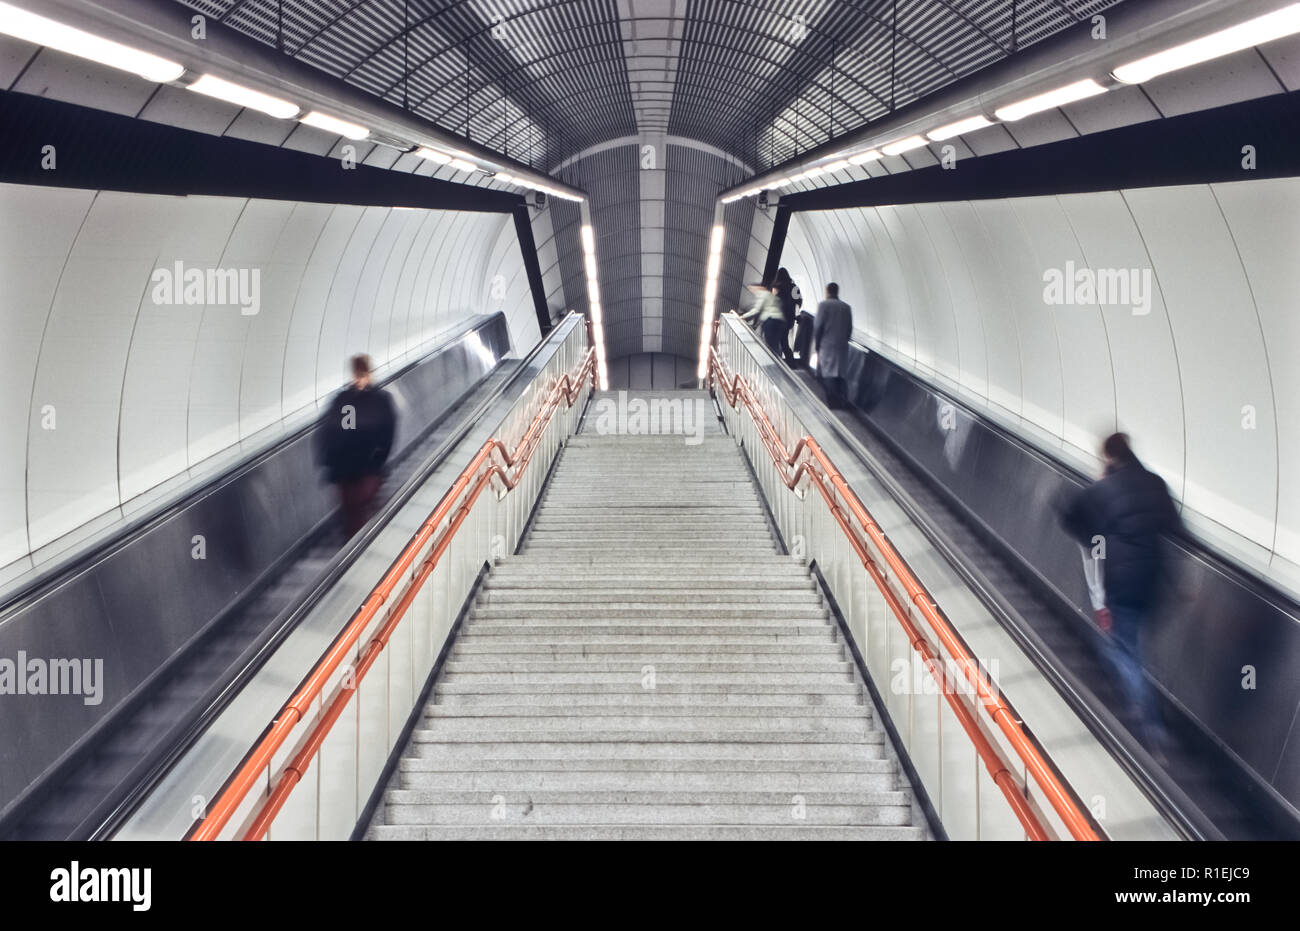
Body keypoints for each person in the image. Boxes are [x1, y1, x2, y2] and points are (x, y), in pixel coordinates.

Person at [1058, 432, 1181, 759]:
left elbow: (1071, 517)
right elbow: (1175, 526)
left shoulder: (1104, 488)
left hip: (1122, 582)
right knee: (1133, 642)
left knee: (1119, 648)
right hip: (1153, 581)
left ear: (1108, 457)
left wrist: (1094, 533)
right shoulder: (1155, 483)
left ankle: (1152, 722)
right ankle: (1148, 700)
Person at [317, 354, 397, 538]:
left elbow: (387, 433)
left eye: (363, 373)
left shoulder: (380, 399)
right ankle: (353, 548)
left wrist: (378, 460)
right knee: (351, 510)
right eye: (356, 373)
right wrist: (330, 459)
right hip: (347, 466)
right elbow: (335, 431)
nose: (359, 377)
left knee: (360, 505)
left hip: (367, 467)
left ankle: (361, 543)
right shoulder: (344, 399)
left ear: (369, 374)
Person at [812, 283, 853, 409]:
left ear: (827, 291)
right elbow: (849, 328)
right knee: (840, 373)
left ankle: (833, 403)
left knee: (828, 373)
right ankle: (842, 401)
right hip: (842, 345)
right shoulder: (846, 307)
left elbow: (818, 326)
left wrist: (817, 344)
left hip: (827, 345)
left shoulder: (823, 305)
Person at [741, 284, 789, 362]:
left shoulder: (762, 294)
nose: (752, 291)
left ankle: (772, 364)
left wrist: (743, 316)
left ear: (758, 288)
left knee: (770, 346)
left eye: (752, 289)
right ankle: (778, 363)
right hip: (780, 321)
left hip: (771, 321)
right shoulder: (771, 295)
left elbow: (756, 310)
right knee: (775, 345)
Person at [771, 268, 798, 366]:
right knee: (784, 341)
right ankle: (791, 363)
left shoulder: (776, 287)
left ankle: (777, 363)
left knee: (777, 341)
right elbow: (799, 301)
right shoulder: (794, 287)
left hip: (778, 318)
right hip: (789, 319)